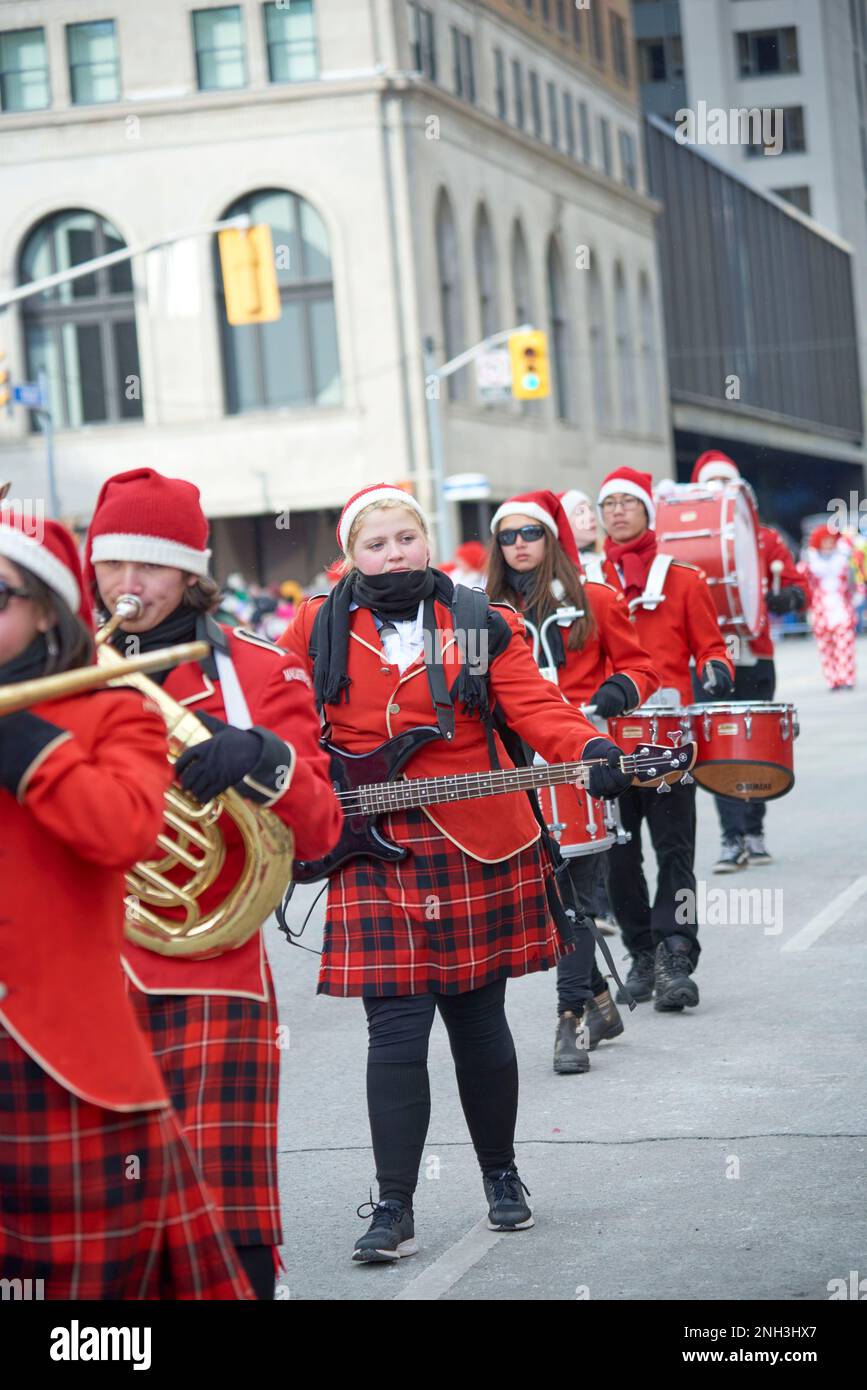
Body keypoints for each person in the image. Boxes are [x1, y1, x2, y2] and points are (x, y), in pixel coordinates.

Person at [279, 482, 631, 1262]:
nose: (393, 553)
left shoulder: (476, 621)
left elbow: (537, 709)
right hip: (369, 845)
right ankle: (393, 1205)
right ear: (350, 555)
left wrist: (588, 753)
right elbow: (290, 723)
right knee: (394, 1031)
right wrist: (310, 799)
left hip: (480, 843)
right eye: (376, 543)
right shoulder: (316, 625)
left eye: (405, 537)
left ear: (427, 541)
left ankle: (502, 1179)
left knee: (478, 1025)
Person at [83, 467, 343, 1300]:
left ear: (192, 572)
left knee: (219, 1210)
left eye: (151, 566)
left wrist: (264, 759)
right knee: (92, 1213)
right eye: (113, 564)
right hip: (77, 971)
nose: (129, 586)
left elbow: (322, 827)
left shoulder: (259, 673)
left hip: (207, 971)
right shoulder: (54, 667)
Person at [0, 511, 253, 1299]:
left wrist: (20, 744)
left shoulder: (112, 712)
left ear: (46, 607)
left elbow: (122, 831)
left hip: (55, 1064)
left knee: (94, 1325)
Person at [486, 489, 658, 1074]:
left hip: (581, 764)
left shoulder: (598, 599)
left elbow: (643, 668)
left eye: (528, 534)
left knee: (577, 899)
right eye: (506, 537)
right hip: (513, 775)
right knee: (544, 902)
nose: (517, 546)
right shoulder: (477, 611)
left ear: (551, 538)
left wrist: (609, 700)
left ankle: (571, 1021)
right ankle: (601, 1000)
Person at [582, 467, 735, 1012]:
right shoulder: (586, 585)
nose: (618, 511)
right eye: (609, 504)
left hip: (671, 739)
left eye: (628, 502)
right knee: (617, 856)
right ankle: (641, 952)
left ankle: (677, 953)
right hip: (606, 744)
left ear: (649, 511)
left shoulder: (685, 579)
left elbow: (713, 647)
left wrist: (717, 670)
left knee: (676, 852)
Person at [687, 452, 806, 872]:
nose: (719, 489)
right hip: (706, 656)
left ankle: (754, 830)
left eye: (726, 481)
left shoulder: (765, 538)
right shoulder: (688, 540)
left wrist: (786, 596)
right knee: (718, 748)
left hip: (754, 654)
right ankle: (731, 836)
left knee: (757, 744)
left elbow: (797, 587)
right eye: (711, 482)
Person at [802, 523, 858, 690]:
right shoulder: (810, 563)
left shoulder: (843, 560)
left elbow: (855, 579)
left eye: (831, 541)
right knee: (826, 648)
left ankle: (846, 678)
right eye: (825, 541)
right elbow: (803, 584)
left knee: (845, 646)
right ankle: (832, 679)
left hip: (842, 609)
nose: (828, 545)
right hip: (821, 611)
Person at [559, 489, 599, 556]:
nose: (592, 516)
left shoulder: (609, 559)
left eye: (591, 509)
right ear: (563, 523)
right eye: (581, 511)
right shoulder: (556, 565)